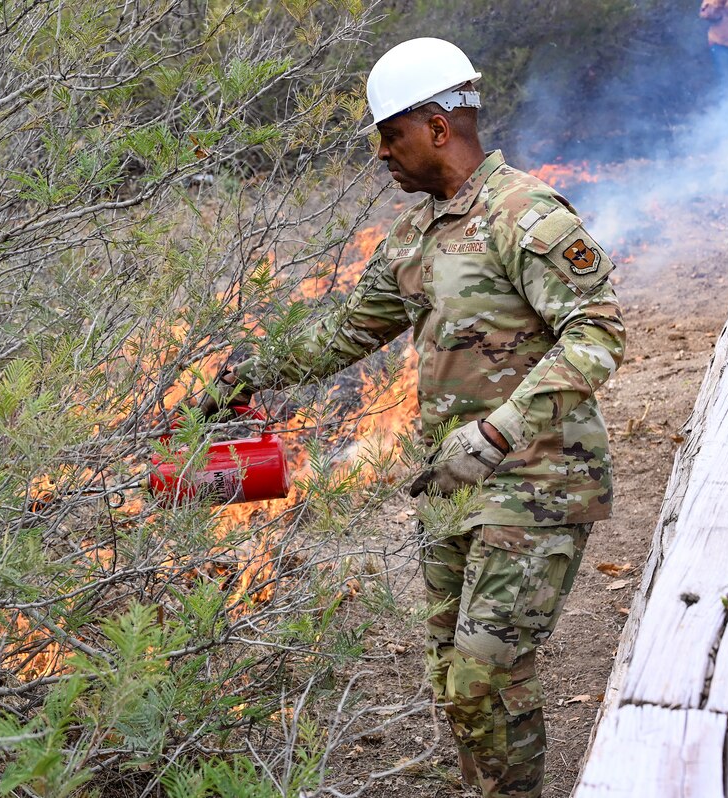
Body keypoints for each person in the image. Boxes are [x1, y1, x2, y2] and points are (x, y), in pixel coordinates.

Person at [198, 38, 625, 798]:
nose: (381, 155)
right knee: (450, 681)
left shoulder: (523, 214)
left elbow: (597, 331)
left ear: (435, 127)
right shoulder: (412, 238)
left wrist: (498, 430)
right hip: (451, 490)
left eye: (388, 135)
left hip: (536, 481)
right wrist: (245, 375)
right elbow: (342, 335)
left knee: (484, 677)